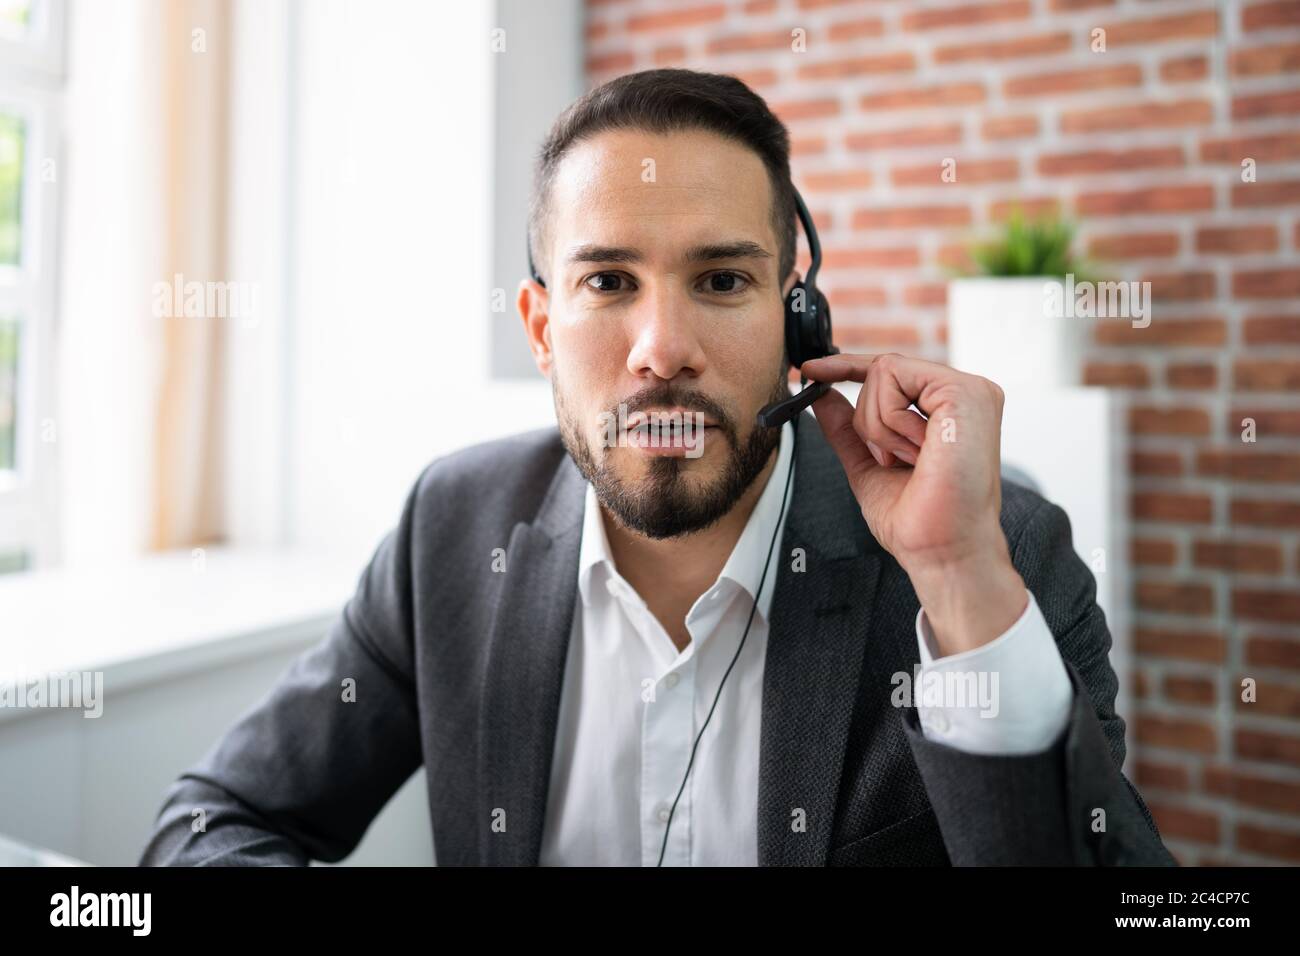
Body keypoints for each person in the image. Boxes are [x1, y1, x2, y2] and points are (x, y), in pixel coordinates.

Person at [140, 68, 1174, 867]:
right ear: (542, 328)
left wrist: (958, 582)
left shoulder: (1000, 554)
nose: (660, 345)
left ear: (795, 322)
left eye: (721, 278)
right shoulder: (451, 530)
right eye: (608, 280)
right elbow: (208, 818)